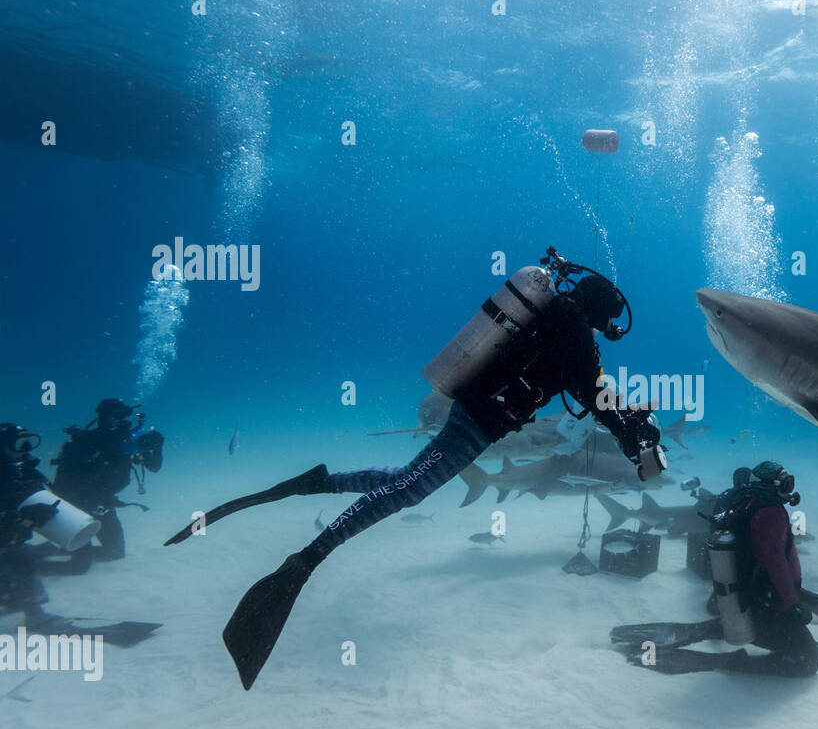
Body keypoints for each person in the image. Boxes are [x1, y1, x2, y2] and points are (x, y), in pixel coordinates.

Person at [168, 248, 670, 689]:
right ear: (601, 311)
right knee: (411, 490)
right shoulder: (571, 328)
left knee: (406, 478)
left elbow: (594, 391)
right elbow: (593, 393)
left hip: (480, 412)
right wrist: (634, 433)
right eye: (608, 321)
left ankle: (314, 483)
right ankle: (307, 558)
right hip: (481, 417)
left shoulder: (562, 321)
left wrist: (630, 423)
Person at [611, 461, 818, 677]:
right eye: (786, 483)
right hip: (770, 602)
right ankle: (725, 660)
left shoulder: (745, 503)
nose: (790, 489)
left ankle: (701, 630)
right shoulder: (772, 513)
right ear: (771, 485)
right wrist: (792, 603)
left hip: (746, 598)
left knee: (757, 625)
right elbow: (775, 562)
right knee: (808, 661)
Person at [38, 398, 164, 574]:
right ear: (102, 417)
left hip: (104, 504)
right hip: (78, 504)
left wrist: (157, 446)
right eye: (116, 417)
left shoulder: (129, 441)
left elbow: (153, 467)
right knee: (79, 567)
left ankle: (58, 548)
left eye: (124, 417)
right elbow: (66, 480)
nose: (122, 421)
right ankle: (27, 561)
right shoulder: (85, 440)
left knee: (115, 553)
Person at [0, 424, 57, 610]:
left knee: (20, 550)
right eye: (18, 444)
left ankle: (10, 596)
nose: (25, 450)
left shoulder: (20, 473)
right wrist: (21, 517)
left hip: (8, 538)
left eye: (28, 443)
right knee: (21, 554)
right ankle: (35, 616)